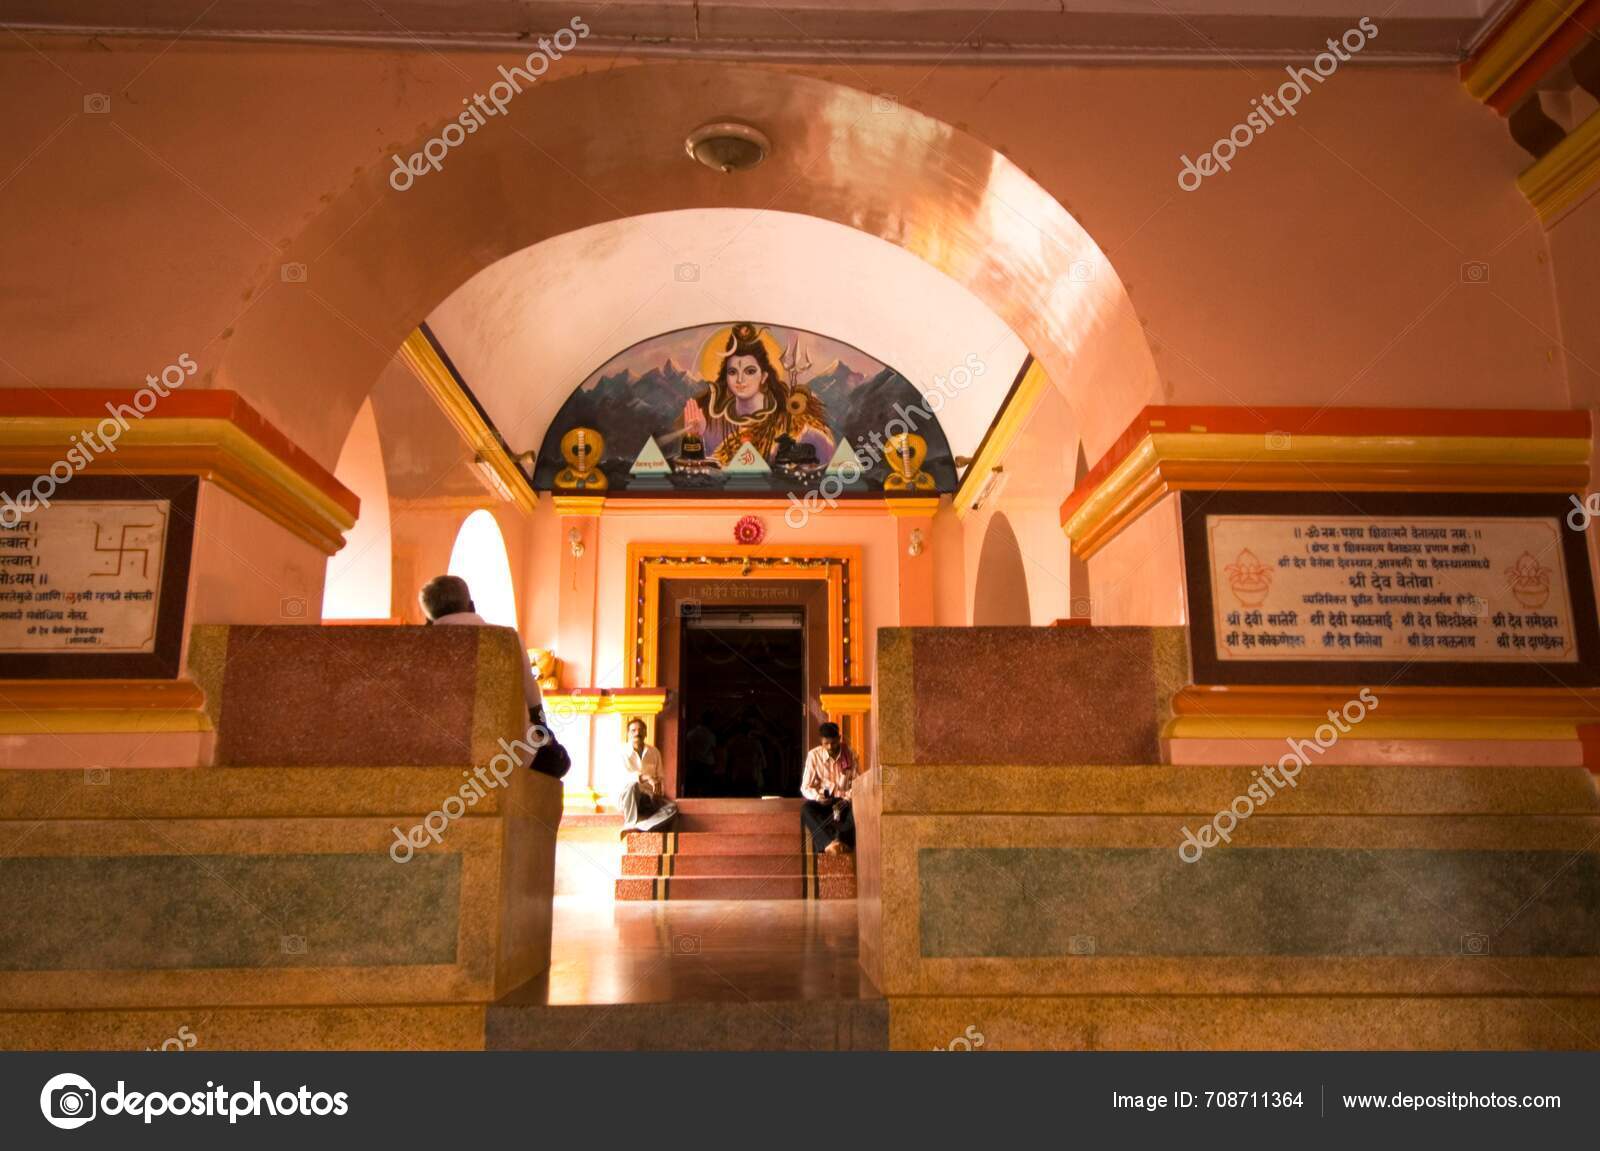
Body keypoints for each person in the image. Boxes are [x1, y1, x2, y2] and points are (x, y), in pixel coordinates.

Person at [419, 574, 560, 773]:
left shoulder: (422, 647)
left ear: (428, 617)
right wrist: (544, 733)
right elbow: (531, 696)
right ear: (471, 606)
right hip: (508, 752)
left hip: (439, 753)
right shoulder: (506, 638)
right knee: (559, 760)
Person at [679, 322, 834, 466]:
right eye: (732, 372)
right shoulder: (713, 425)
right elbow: (702, 475)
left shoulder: (789, 422)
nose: (740, 380)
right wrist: (695, 438)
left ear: (764, 376)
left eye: (750, 371)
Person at [799, 721, 857, 855]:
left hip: (844, 802)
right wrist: (817, 797)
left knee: (855, 810)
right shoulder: (813, 756)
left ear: (839, 738)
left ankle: (843, 843)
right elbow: (805, 787)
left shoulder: (850, 754)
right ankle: (830, 843)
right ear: (821, 741)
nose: (830, 747)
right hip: (824, 802)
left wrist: (847, 799)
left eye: (834, 743)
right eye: (826, 743)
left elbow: (857, 784)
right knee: (806, 809)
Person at [617, 717, 677, 836]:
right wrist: (648, 777)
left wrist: (657, 794)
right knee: (632, 785)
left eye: (640, 730)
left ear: (646, 733)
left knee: (672, 808)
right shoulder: (621, 752)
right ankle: (630, 824)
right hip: (629, 799)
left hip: (648, 798)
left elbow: (660, 778)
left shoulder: (654, 752)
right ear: (627, 734)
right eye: (633, 730)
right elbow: (625, 778)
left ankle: (642, 826)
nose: (637, 733)